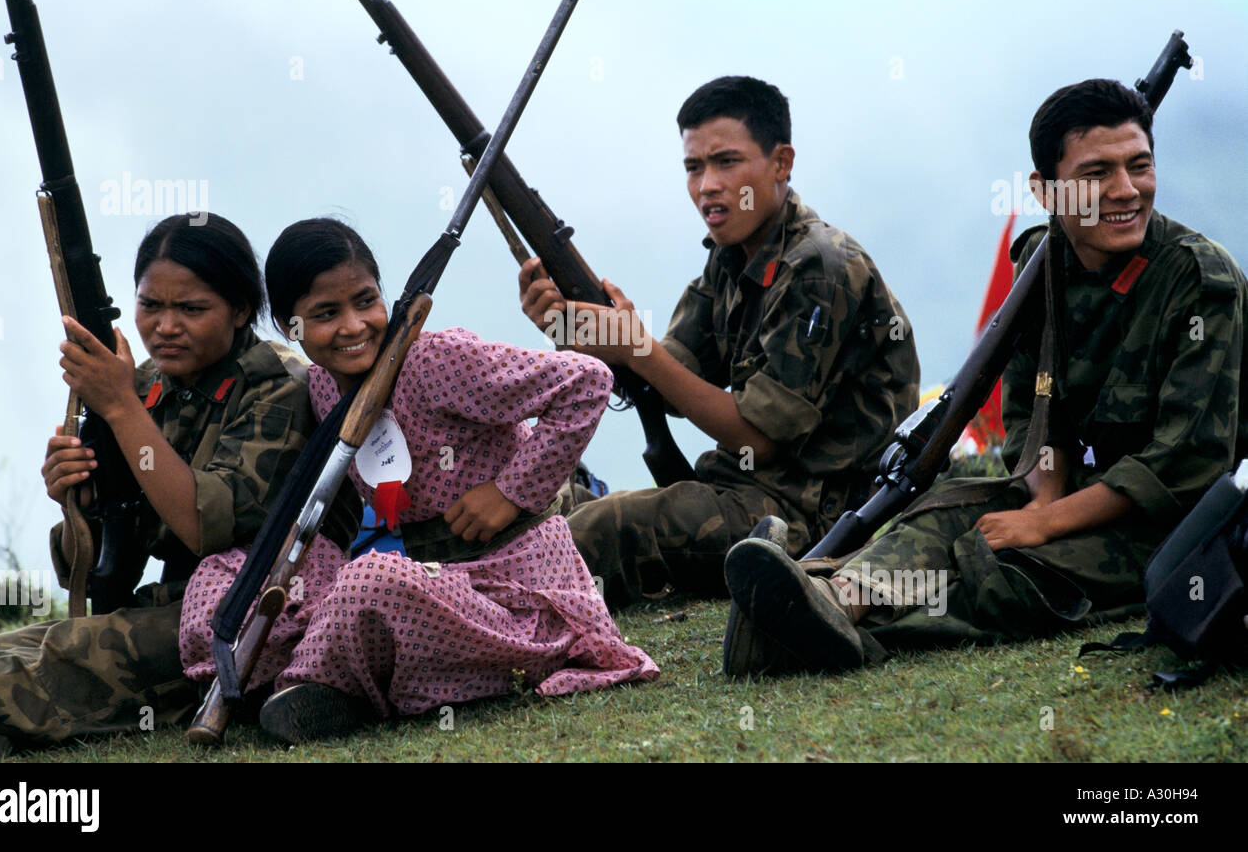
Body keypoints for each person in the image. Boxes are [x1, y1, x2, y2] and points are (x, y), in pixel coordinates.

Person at [725, 78, 1248, 672]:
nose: (1126, 191)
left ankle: (821, 632)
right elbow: (1036, 409)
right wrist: (1040, 499)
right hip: (1085, 492)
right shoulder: (1041, 267)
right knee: (945, 511)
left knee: (1006, 570)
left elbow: (1182, 469)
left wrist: (1044, 524)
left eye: (1140, 166)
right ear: (1045, 191)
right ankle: (830, 597)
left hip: (1185, 526)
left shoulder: (1201, 281)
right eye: (1096, 174)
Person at [179, 218, 658, 744]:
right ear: (289, 328)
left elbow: (586, 383)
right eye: (324, 314)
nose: (354, 325)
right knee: (222, 577)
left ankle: (316, 686)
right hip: (428, 577)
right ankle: (309, 680)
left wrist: (509, 493)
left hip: (515, 593)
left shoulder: (434, 359)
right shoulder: (320, 387)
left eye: (366, 301)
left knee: (373, 583)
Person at [0, 213, 356, 760]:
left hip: (247, 616)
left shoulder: (277, 387)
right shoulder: (140, 386)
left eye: (191, 309)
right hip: (166, 605)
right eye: (151, 306)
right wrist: (80, 505)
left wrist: (120, 410)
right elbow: (94, 572)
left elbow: (204, 529)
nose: (166, 326)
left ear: (239, 311)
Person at [517, 75, 920, 609]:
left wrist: (636, 348)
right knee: (534, 490)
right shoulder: (731, 256)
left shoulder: (820, 265)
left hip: (814, 517)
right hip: (742, 491)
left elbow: (757, 438)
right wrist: (577, 333)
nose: (707, 185)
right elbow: (663, 381)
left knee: (600, 527)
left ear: (781, 163)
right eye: (693, 167)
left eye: (726, 163)